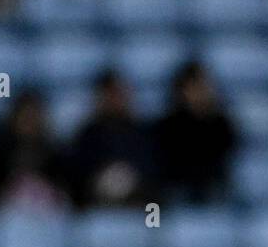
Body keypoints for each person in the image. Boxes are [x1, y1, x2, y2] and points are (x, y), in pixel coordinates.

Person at [151, 59, 238, 205]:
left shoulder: (221, 124)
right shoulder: (167, 125)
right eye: (194, 86)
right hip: (177, 190)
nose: (199, 92)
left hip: (213, 190)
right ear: (182, 90)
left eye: (202, 86)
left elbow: (224, 157)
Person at [68, 69, 151, 208]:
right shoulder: (88, 134)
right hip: (97, 201)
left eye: (118, 94)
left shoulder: (141, 132)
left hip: (137, 199)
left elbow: (150, 169)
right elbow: (78, 174)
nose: (114, 100)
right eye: (109, 94)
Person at [0, 88, 68, 209]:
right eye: (24, 116)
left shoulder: (55, 152)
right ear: (14, 118)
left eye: (33, 116)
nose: (29, 122)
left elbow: (63, 192)